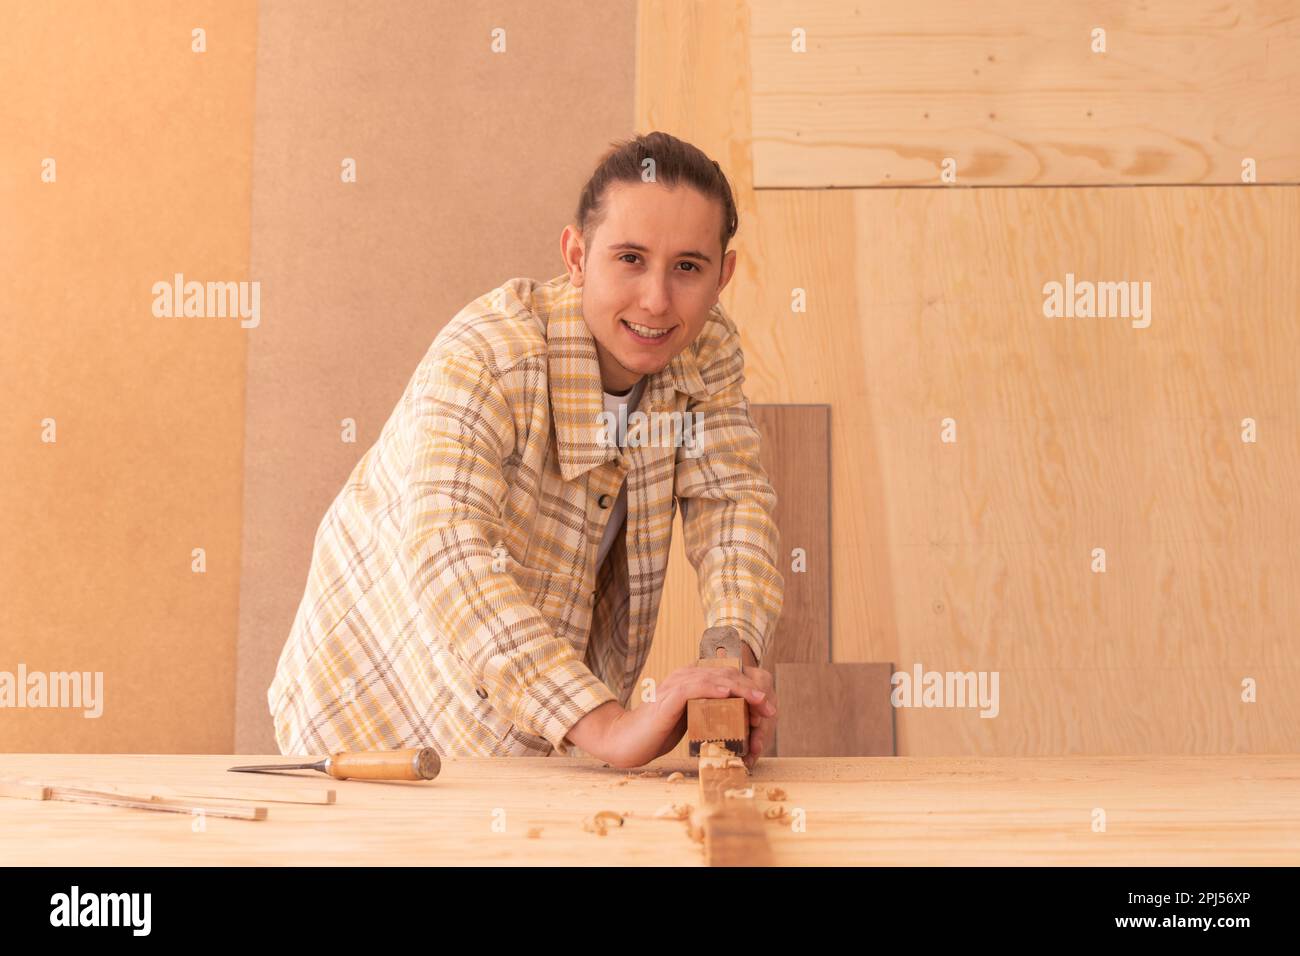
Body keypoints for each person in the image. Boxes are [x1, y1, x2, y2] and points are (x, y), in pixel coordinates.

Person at [268, 131, 784, 770]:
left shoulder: (705, 349)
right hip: (373, 708)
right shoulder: (486, 355)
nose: (656, 300)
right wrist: (609, 726)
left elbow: (731, 502)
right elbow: (448, 553)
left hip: (540, 726)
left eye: (687, 267)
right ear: (576, 256)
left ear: (722, 276)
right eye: (629, 258)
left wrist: (729, 660)